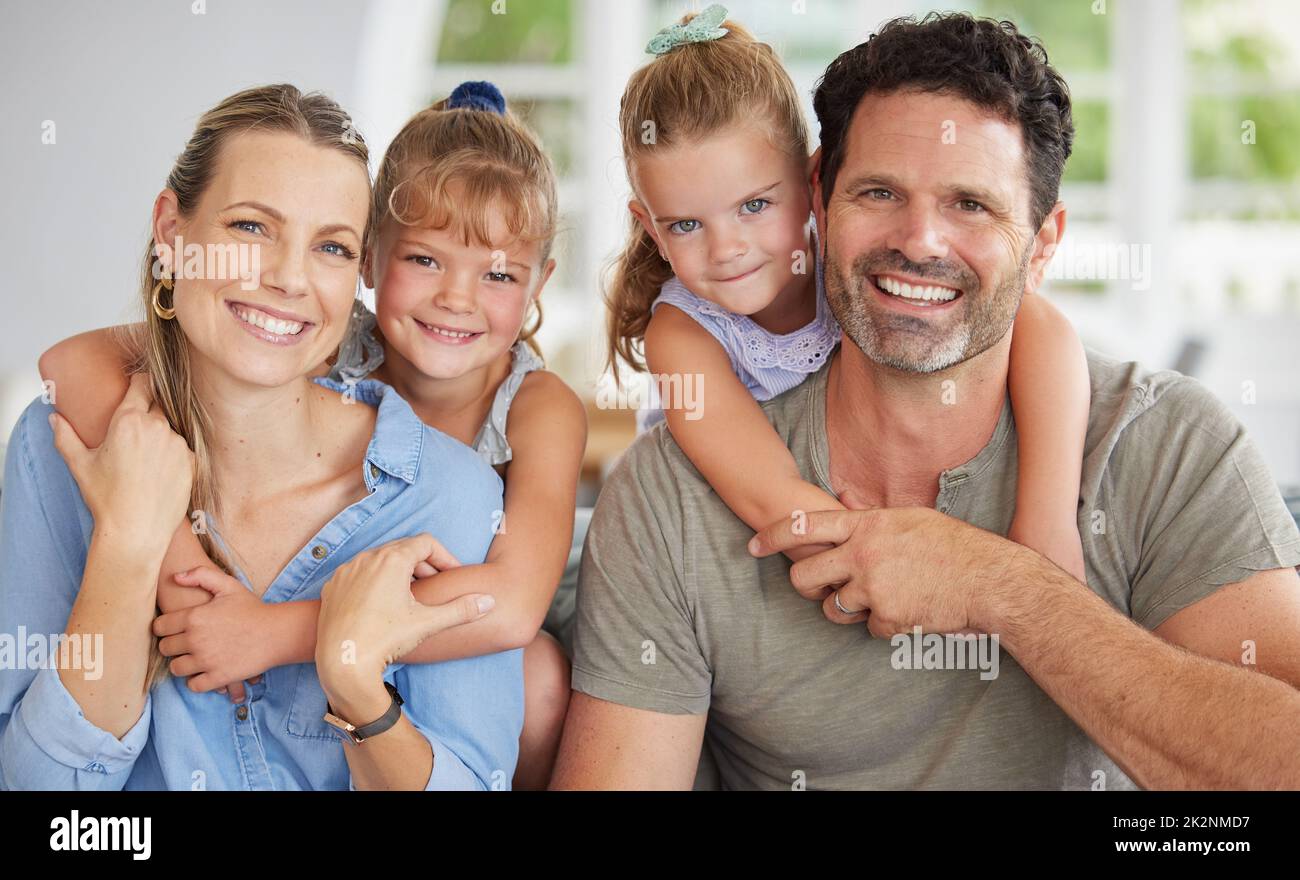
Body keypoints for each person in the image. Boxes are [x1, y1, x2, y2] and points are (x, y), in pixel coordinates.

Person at [553, 13, 1300, 790]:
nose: (920, 240)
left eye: (970, 204)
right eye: (880, 191)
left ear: (1043, 245)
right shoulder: (669, 490)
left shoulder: (1172, 447)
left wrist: (1006, 585)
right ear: (821, 193)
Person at [36, 80, 583, 790]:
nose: (457, 297)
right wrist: (166, 556)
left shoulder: (537, 404)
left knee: (539, 674)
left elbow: (509, 606)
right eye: (425, 260)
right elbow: (71, 363)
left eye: (500, 274)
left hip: (499, 621)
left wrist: (270, 633)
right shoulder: (316, 342)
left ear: (541, 281)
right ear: (370, 263)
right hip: (345, 639)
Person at [605, 4, 1088, 577]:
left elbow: (1038, 323)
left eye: (755, 206)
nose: (726, 249)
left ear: (813, 184)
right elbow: (771, 495)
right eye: (685, 225)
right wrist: (888, 563)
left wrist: (1047, 522)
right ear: (650, 226)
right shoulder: (680, 333)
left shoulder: (853, 260)